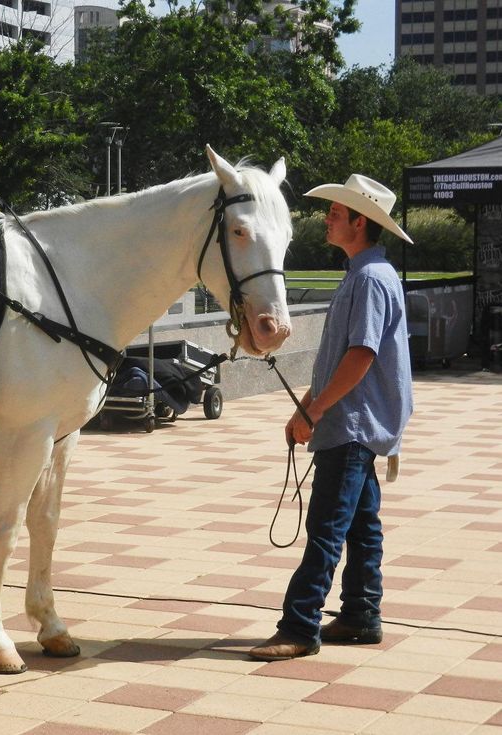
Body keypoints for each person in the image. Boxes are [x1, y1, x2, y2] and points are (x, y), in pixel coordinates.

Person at [249, 174, 414, 662]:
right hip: (355, 422)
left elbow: (361, 355)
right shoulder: (367, 274)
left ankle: (300, 627)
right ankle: (362, 615)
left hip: (352, 424)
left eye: (337, 213)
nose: (328, 219)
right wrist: (308, 402)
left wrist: (315, 410)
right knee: (362, 526)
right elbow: (346, 355)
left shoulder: (368, 279)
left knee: (326, 529)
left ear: (359, 222)